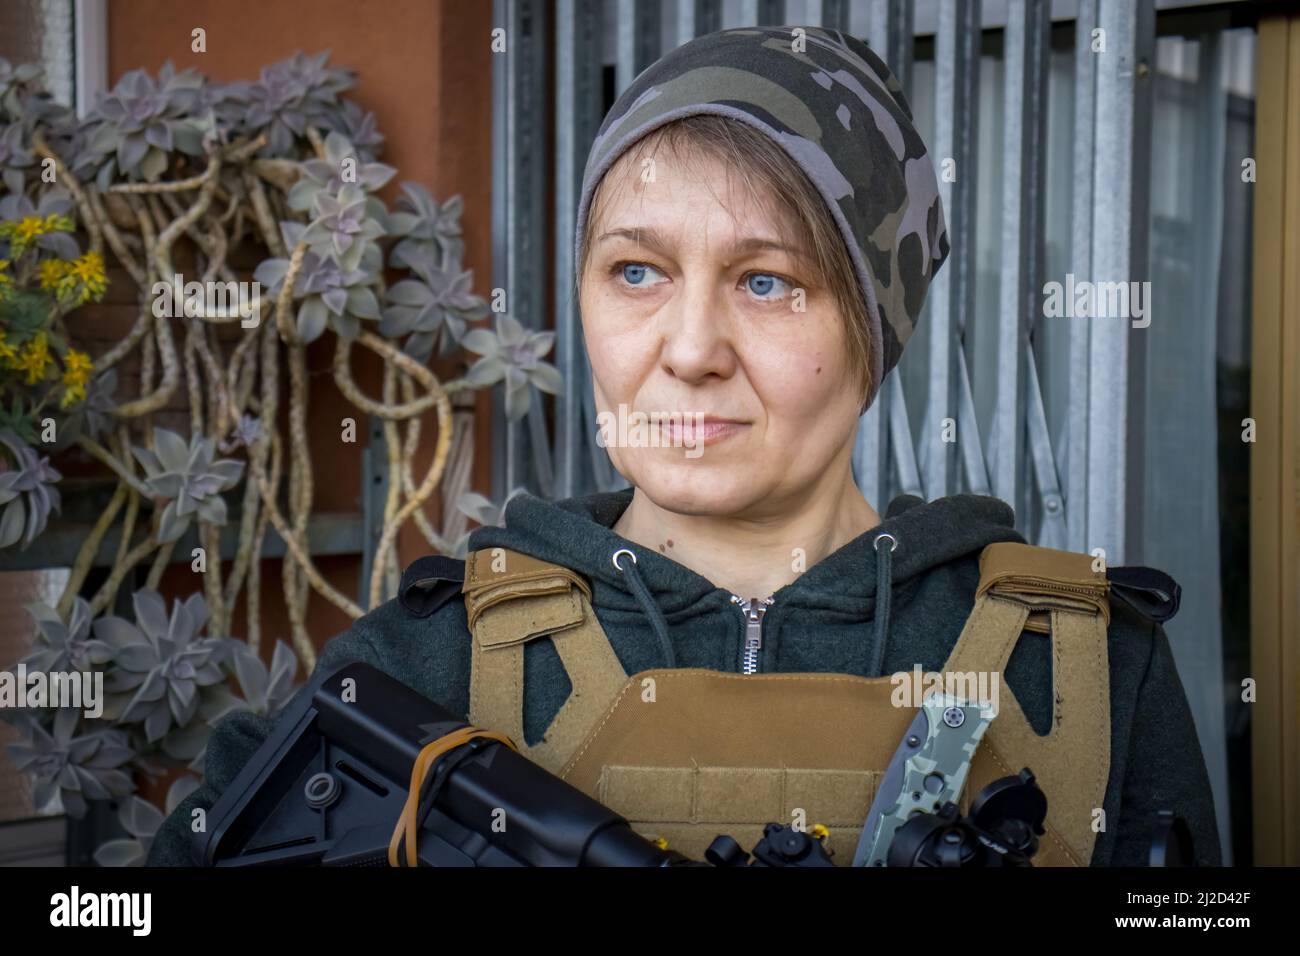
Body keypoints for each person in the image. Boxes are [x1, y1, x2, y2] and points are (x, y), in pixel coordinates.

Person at [148, 25, 1220, 867]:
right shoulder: (423, 660)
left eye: (768, 281)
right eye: (635, 271)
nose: (691, 349)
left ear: (874, 328)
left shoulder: (1082, 664)